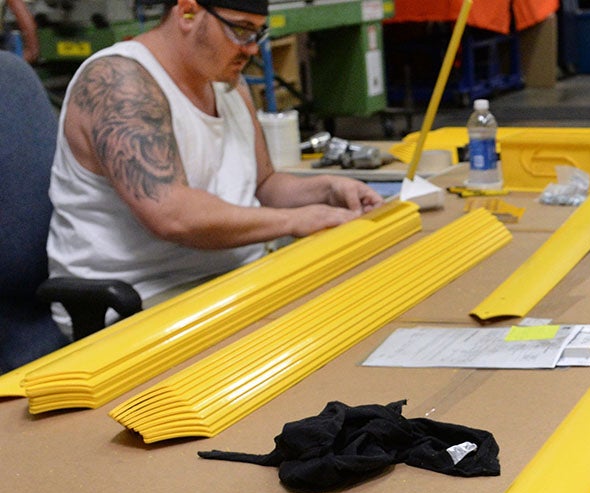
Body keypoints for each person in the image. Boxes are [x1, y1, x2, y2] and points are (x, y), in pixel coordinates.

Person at [45, 0, 382, 335]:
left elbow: (264, 184)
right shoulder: (121, 82)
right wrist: (294, 220)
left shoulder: (226, 82)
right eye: (240, 30)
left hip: (229, 280)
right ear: (187, 12)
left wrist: (326, 189)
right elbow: (172, 215)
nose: (251, 49)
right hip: (139, 303)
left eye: (258, 33)